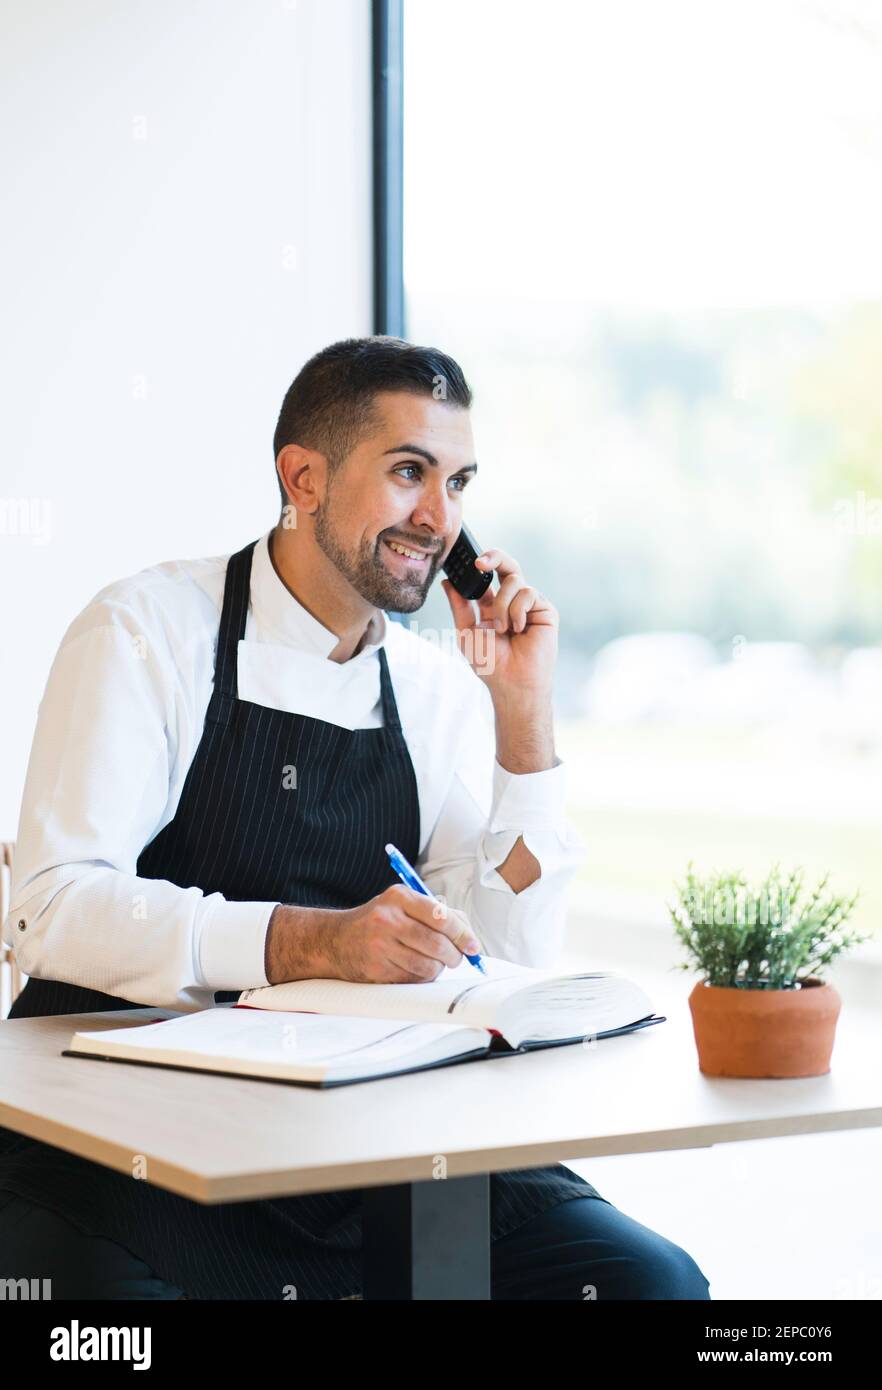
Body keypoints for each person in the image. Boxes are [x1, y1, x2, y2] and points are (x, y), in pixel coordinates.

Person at [0, 336, 711, 1300]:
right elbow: (52, 907)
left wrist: (523, 722)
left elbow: (503, 958)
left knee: (642, 1285)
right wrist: (313, 943)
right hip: (137, 1142)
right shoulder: (144, 630)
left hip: (377, 1137)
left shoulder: (432, 686)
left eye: (458, 482)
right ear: (303, 477)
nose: (440, 517)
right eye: (409, 472)